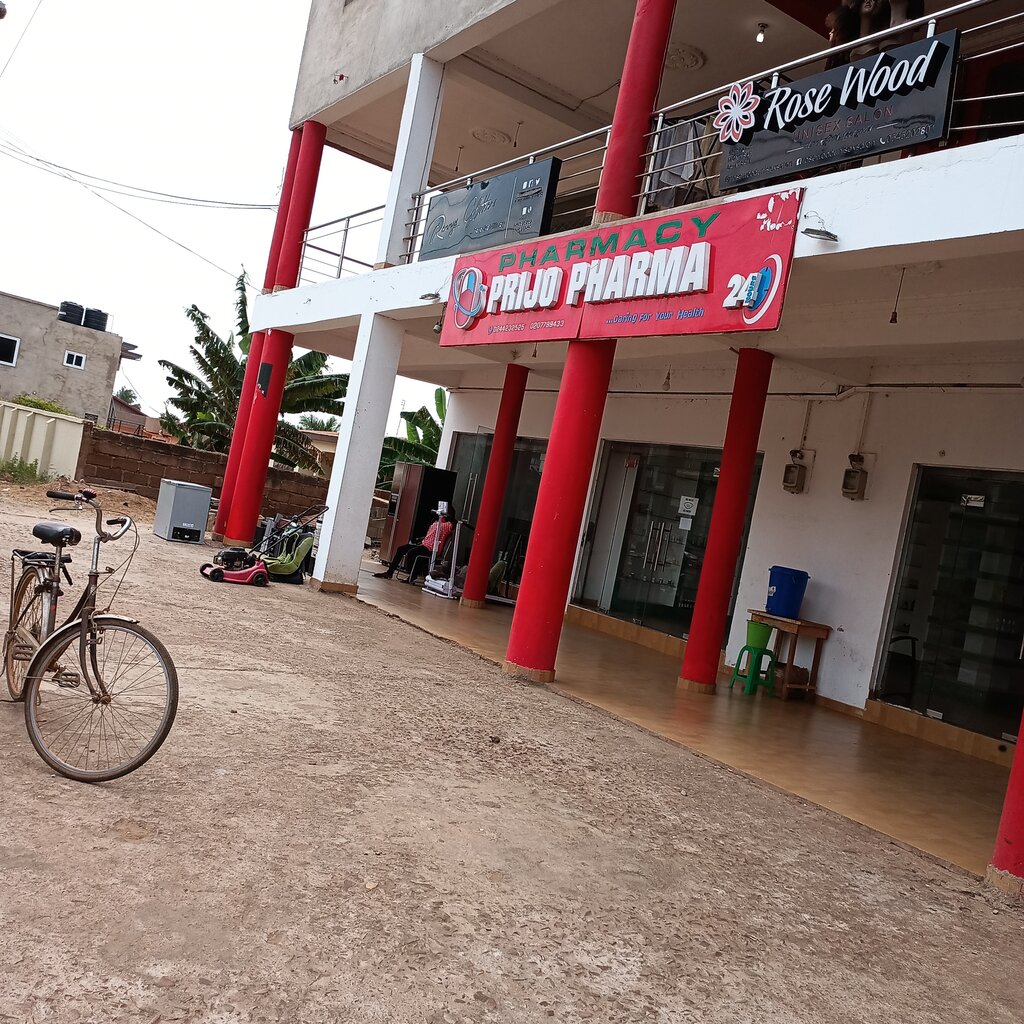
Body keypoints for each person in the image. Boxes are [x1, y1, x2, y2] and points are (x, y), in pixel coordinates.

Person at [374, 508, 455, 581]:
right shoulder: (436, 522)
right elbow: (430, 535)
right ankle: (389, 572)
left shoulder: (447, 525)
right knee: (401, 549)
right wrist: (419, 539)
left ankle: (412, 575)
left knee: (412, 553)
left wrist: (449, 517)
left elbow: (453, 525)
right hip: (424, 544)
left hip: (431, 548)